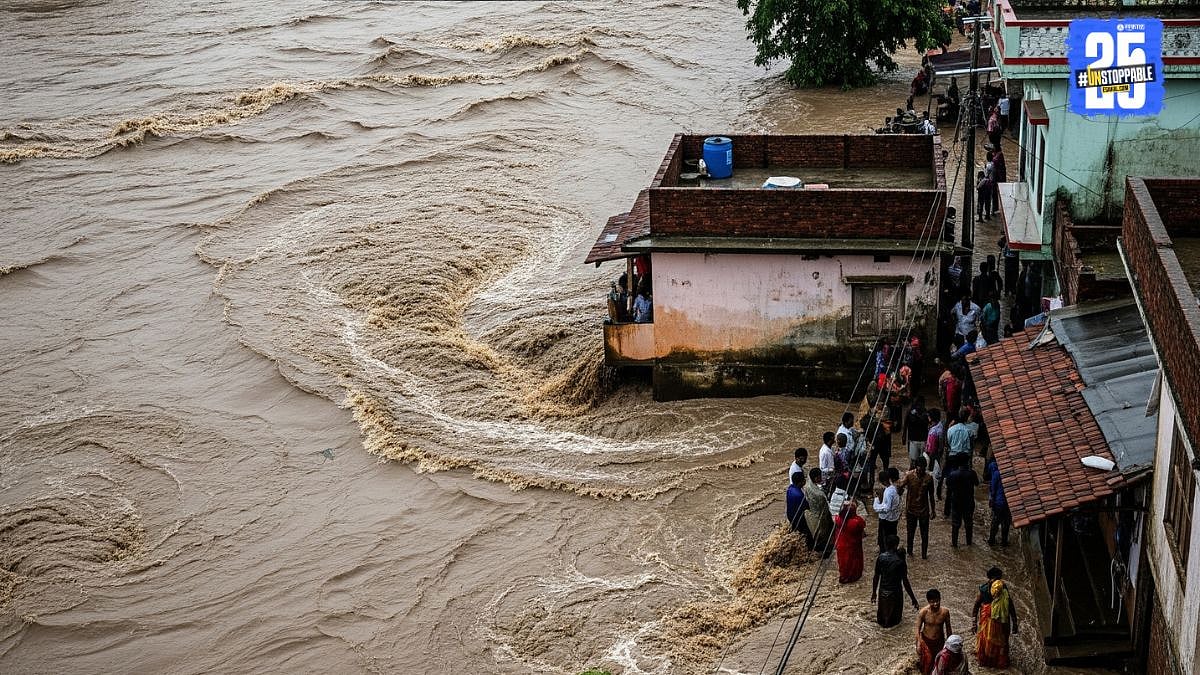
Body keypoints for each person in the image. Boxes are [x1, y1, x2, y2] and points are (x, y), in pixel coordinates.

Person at [973, 567, 1019, 668]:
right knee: (989, 642)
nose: (997, 581)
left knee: (1001, 642)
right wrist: (973, 623)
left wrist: (1015, 622)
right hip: (989, 622)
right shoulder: (984, 590)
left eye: (999, 578)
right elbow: (976, 605)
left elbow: (1010, 604)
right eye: (996, 578)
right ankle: (992, 664)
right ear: (990, 578)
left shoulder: (1003, 589)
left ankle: (998, 664)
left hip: (1001, 621)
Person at [872, 534, 919, 628]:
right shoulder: (900, 561)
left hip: (883, 593)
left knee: (882, 622)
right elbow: (905, 582)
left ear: (886, 545)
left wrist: (874, 593)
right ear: (896, 545)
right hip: (895, 594)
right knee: (895, 622)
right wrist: (913, 598)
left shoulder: (881, 558)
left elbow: (876, 577)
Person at [897, 456, 936, 559]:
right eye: (919, 467)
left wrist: (933, 510)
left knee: (925, 534)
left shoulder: (929, 478)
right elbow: (900, 487)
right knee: (910, 533)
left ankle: (924, 555)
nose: (921, 470)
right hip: (911, 510)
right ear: (916, 466)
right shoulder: (909, 476)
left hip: (924, 510)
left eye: (923, 468)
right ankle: (910, 553)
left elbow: (931, 495)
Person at [917, 589, 954, 675]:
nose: (936, 604)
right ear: (928, 601)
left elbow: (948, 628)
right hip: (926, 641)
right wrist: (918, 643)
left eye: (937, 601)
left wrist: (950, 644)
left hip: (939, 641)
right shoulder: (923, 612)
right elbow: (917, 629)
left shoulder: (945, 612)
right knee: (926, 663)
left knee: (940, 663)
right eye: (932, 602)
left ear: (940, 599)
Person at [946, 455, 980, 547]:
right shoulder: (972, 473)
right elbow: (977, 483)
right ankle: (969, 543)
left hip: (956, 501)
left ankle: (954, 544)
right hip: (968, 501)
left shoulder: (953, 474)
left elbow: (948, 485)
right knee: (968, 523)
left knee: (955, 524)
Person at [834, 501, 867, 583]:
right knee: (854, 561)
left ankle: (844, 576)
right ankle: (853, 576)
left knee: (843, 561)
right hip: (853, 545)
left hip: (841, 544)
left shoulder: (838, 519)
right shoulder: (856, 522)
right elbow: (863, 524)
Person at [805, 468, 835, 557]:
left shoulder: (808, 485)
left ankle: (820, 548)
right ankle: (825, 552)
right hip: (821, 517)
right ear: (816, 478)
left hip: (813, 514)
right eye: (820, 477)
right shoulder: (819, 494)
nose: (821, 478)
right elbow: (826, 509)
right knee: (824, 535)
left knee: (818, 534)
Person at [873, 468, 901, 550]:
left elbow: (887, 508)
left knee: (886, 539)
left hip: (888, 519)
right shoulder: (891, 489)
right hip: (891, 518)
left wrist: (876, 504)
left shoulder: (889, 492)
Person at [987, 455, 1011, 546]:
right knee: (1006, 523)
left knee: (995, 521)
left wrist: (991, 499)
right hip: (1008, 503)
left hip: (998, 502)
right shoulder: (1011, 474)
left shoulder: (997, 473)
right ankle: (1004, 542)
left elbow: (993, 488)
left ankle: (991, 540)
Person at [786, 471, 815, 549]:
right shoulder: (799, 495)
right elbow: (807, 507)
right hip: (798, 518)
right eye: (804, 480)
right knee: (808, 532)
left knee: (796, 531)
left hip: (790, 515)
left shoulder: (790, 488)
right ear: (800, 482)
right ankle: (810, 548)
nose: (805, 481)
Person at [905, 396, 928, 466]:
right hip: (913, 439)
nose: (919, 406)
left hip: (923, 439)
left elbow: (924, 422)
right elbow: (906, 423)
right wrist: (904, 435)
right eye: (917, 404)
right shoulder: (910, 412)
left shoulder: (925, 412)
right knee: (913, 460)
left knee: (923, 460)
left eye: (920, 404)